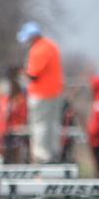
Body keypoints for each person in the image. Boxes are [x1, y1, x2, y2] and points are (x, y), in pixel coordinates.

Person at [17, 21, 64, 163]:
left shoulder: (38, 49)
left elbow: (33, 75)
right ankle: (54, 154)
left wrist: (21, 73)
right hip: (56, 93)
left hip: (41, 94)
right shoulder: (52, 46)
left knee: (40, 126)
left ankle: (42, 157)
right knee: (53, 125)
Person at [0, 66, 30, 164]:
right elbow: (0, 120)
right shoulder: (3, 99)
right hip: (4, 136)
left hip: (17, 133)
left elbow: (23, 117)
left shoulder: (21, 99)